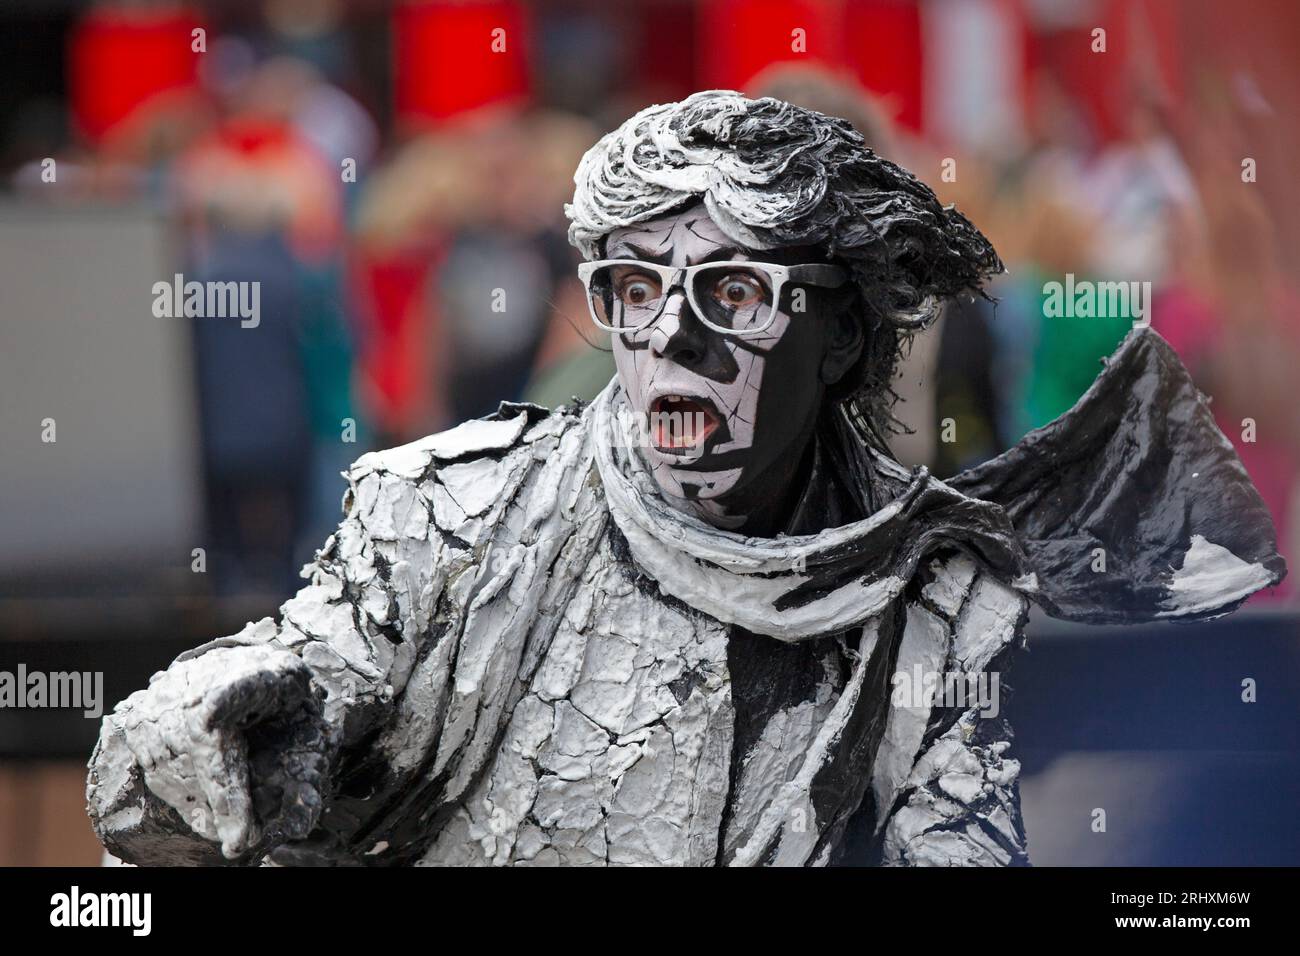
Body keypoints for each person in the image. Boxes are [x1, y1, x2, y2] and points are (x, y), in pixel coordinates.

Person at [87, 92, 1285, 867]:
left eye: (734, 295)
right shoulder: (447, 511)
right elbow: (205, 746)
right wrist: (210, 719)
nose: (671, 339)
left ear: (846, 338)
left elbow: (957, 842)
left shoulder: (927, 587)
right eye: (632, 289)